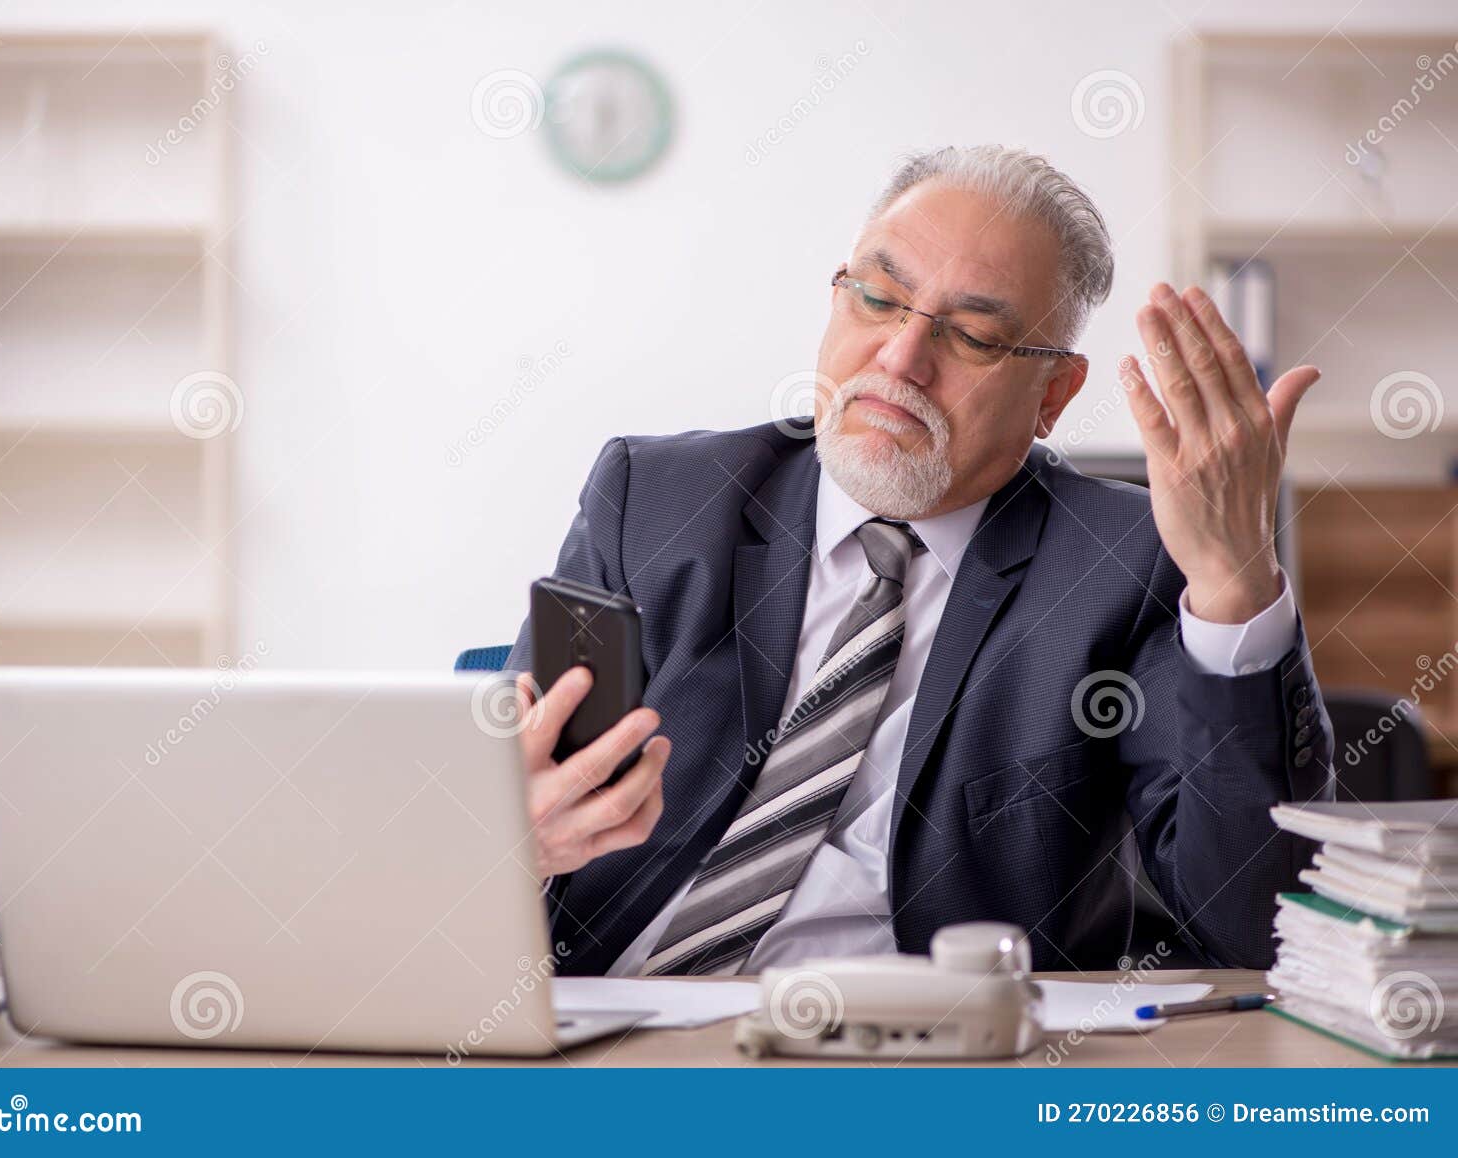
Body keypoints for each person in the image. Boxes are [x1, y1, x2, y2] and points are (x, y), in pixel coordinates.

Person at [502, 144, 1333, 977]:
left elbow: (1255, 931)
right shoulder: (654, 501)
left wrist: (1234, 586)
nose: (899, 360)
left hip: (925, 1061)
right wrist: (512, 843)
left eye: (971, 337)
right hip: (621, 1028)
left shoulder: (1124, 566)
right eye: (877, 299)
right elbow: (498, 809)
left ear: (1054, 397)